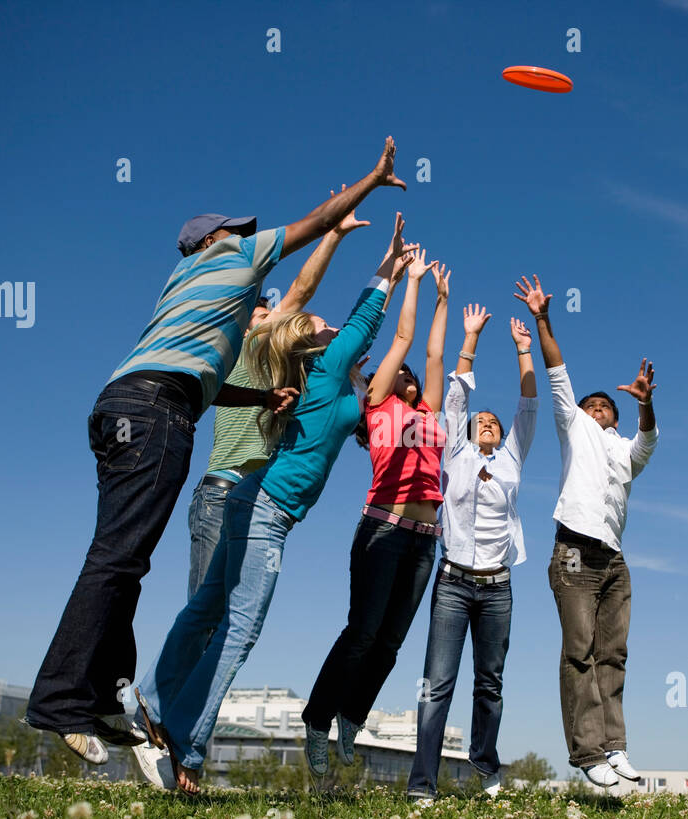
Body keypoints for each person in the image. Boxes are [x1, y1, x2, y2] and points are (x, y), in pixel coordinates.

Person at [25, 138, 408, 764]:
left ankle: (108, 695)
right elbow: (309, 237)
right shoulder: (230, 260)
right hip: (163, 420)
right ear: (213, 240)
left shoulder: (192, 290)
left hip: (125, 404)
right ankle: (70, 701)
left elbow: (210, 374)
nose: (247, 238)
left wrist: (251, 401)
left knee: (126, 561)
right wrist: (367, 184)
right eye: (236, 231)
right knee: (134, 570)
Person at [134, 214, 417, 793]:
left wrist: (393, 273)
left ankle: (154, 696)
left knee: (208, 606)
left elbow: (385, 358)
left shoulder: (337, 384)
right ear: (312, 341)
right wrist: (388, 270)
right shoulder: (327, 368)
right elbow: (369, 320)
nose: (329, 325)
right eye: (320, 324)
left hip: (249, 500)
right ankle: (184, 738)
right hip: (265, 511)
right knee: (238, 629)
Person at [301, 250, 450, 776]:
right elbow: (405, 342)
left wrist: (443, 301)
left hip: (423, 538)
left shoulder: (428, 411)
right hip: (383, 530)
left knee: (390, 642)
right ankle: (317, 720)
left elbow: (433, 356)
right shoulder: (381, 404)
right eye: (399, 372)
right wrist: (411, 281)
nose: (408, 374)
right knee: (362, 632)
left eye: (409, 376)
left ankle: (352, 715)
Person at [186, 188, 368, 599]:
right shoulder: (241, 348)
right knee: (206, 613)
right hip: (223, 490)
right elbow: (300, 292)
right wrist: (334, 235)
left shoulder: (284, 372)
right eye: (265, 315)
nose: (274, 319)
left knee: (233, 617)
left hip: (257, 498)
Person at [516, 274, 659, 789]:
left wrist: (644, 402)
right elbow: (557, 370)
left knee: (612, 653)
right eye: (591, 405)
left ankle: (615, 746)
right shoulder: (573, 426)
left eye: (606, 408)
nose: (597, 410)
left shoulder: (625, 449)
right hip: (574, 551)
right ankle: (588, 753)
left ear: (616, 420)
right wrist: (542, 317)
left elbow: (647, 438)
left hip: (614, 560)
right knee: (578, 649)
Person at [405, 303, 538, 801]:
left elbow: (529, 406)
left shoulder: (511, 459)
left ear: (503, 435)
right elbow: (457, 397)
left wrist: (525, 351)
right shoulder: (455, 454)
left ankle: (484, 763)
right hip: (453, 584)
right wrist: (471, 340)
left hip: (498, 588)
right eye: (479, 420)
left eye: (492, 422)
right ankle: (423, 785)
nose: (485, 422)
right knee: (437, 684)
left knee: (490, 684)